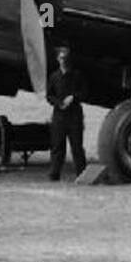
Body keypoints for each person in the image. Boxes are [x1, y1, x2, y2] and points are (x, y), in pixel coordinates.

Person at [45, 45, 87, 181]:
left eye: (66, 58)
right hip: (59, 115)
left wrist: (73, 97)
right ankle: (54, 173)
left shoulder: (77, 75)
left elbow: (84, 92)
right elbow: (49, 95)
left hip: (74, 115)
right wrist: (58, 103)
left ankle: (81, 173)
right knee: (57, 146)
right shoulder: (54, 76)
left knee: (77, 146)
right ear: (58, 59)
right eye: (62, 58)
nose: (64, 61)